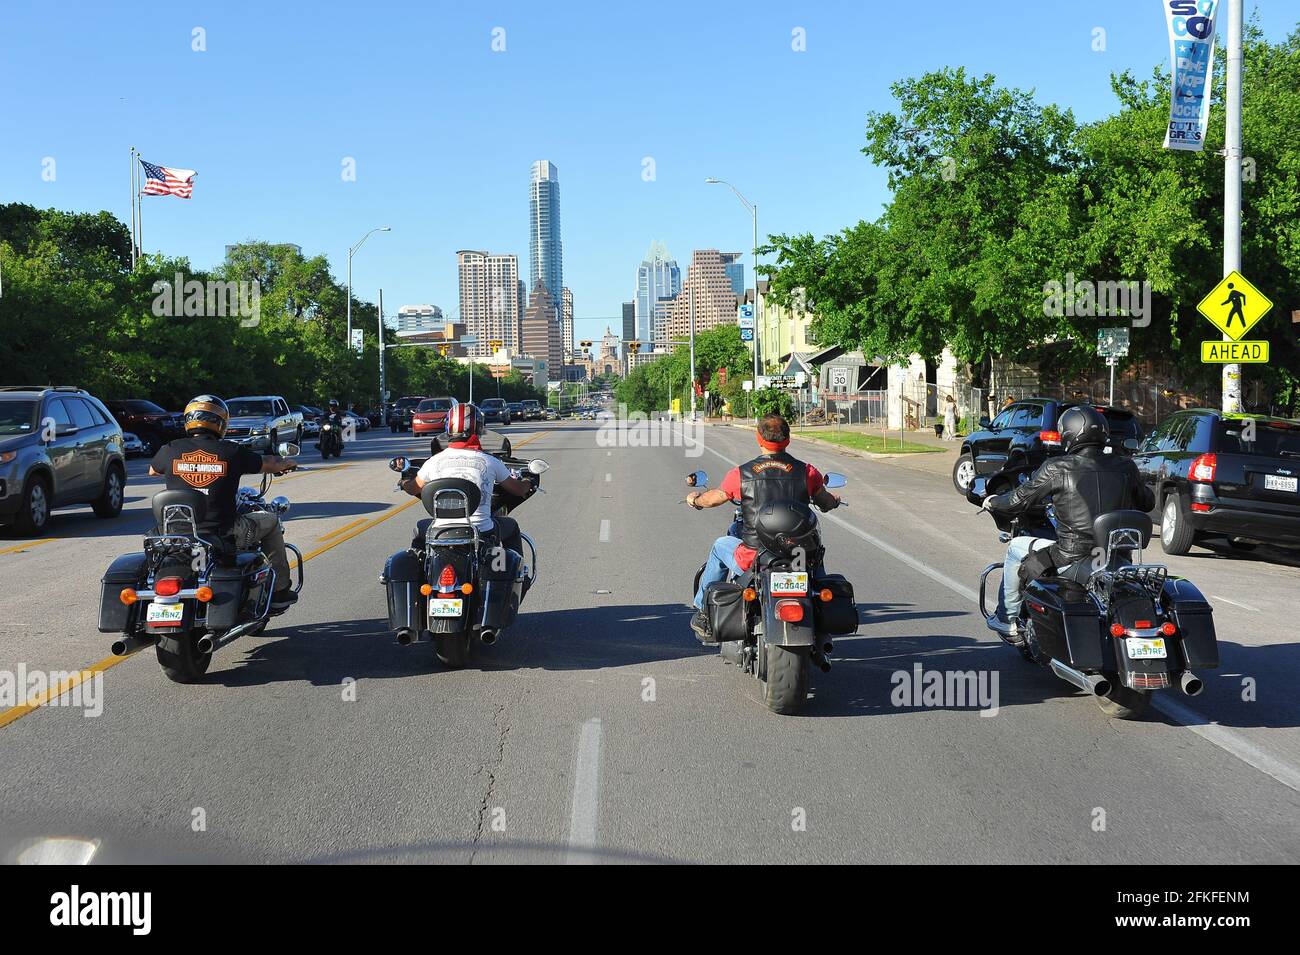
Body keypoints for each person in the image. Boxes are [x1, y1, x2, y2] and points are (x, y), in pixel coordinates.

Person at [984, 405, 1154, 643]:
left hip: (1071, 557)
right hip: (1117, 558)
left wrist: (993, 501)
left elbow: (1018, 500)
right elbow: (1147, 502)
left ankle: (1007, 618)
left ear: (1068, 433)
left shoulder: (1058, 467)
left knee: (1015, 548)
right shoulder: (1125, 466)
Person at [685, 413, 841, 640]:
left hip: (755, 557)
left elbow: (714, 498)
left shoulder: (742, 474)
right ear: (787, 440)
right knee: (816, 561)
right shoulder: (807, 472)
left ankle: (702, 611)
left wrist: (696, 499)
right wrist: (834, 501)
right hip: (799, 556)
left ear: (759, 438)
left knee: (720, 546)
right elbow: (824, 501)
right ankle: (824, 622)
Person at [149, 395, 300, 611]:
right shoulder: (231, 451)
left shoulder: (170, 449)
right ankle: (279, 591)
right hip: (222, 532)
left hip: (174, 534)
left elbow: (153, 470)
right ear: (220, 423)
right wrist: (288, 462)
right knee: (271, 521)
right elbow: (269, 463)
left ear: (188, 420)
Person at [400, 403, 532, 559]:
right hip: (481, 530)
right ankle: (518, 576)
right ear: (479, 428)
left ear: (448, 428)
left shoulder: (433, 462)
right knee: (512, 526)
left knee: (419, 528)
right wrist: (528, 481)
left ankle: (420, 568)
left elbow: (413, 488)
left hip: (441, 531)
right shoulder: (490, 461)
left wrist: (404, 482)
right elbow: (518, 490)